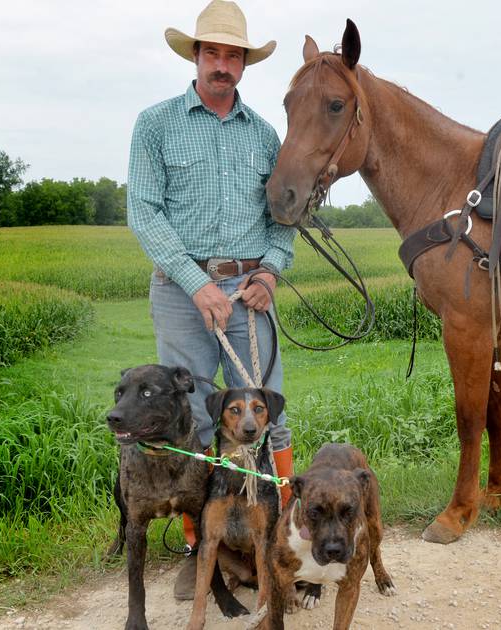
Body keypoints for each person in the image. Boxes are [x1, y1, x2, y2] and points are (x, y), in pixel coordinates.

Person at [126, 0, 295, 600]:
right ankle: (205, 545)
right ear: (196, 57)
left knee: (269, 413)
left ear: (245, 64)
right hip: (181, 289)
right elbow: (142, 211)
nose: (222, 65)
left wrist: (271, 272)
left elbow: (284, 218)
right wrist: (195, 282)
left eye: (233, 55)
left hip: (251, 290)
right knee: (193, 418)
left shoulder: (266, 135)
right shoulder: (156, 123)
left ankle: (284, 533)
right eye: (212, 53)